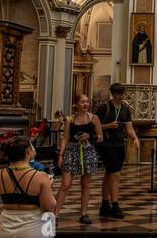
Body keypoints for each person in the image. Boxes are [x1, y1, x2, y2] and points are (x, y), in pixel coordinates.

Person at [55, 94, 104, 223]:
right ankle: (55, 214)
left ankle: (84, 214)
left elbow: (100, 137)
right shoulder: (70, 119)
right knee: (65, 184)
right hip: (71, 151)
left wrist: (90, 136)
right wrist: (60, 155)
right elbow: (65, 138)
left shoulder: (94, 118)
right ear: (76, 104)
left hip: (87, 151)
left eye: (87, 102)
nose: (86, 104)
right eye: (82, 102)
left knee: (86, 184)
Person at [96, 83, 140, 219]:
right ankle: (115, 205)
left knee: (109, 174)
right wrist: (109, 125)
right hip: (106, 143)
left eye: (122, 94)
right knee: (115, 175)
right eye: (118, 94)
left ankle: (104, 204)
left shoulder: (125, 109)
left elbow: (129, 128)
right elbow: (95, 127)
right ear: (113, 94)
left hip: (119, 144)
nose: (121, 96)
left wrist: (135, 138)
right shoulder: (104, 108)